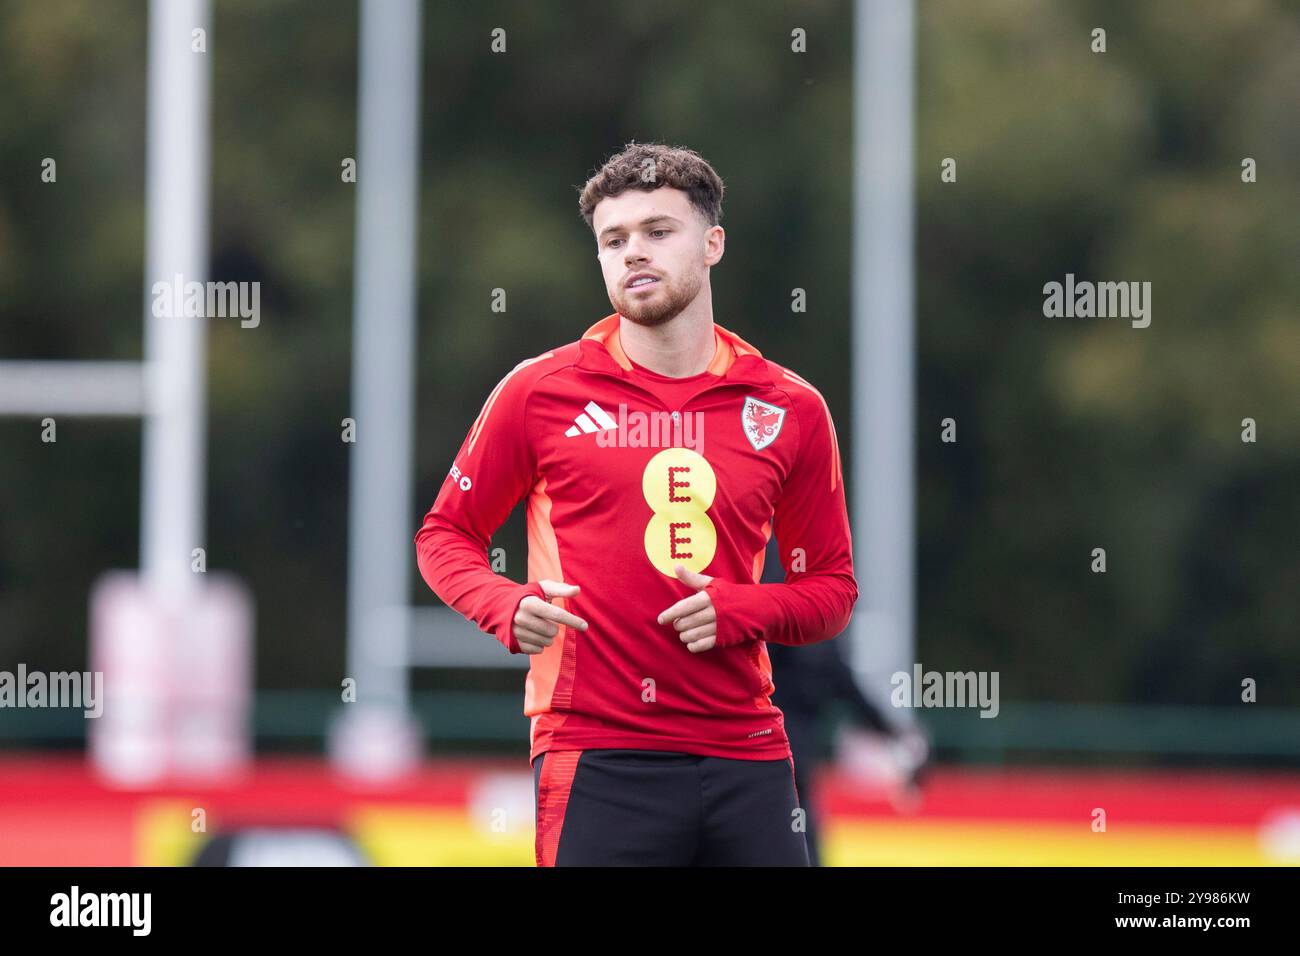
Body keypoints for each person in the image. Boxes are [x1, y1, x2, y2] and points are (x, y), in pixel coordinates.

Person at [415, 142, 857, 866]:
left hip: (747, 753)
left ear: (712, 243)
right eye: (613, 241)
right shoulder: (539, 392)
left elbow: (832, 591)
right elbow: (444, 534)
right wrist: (502, 603)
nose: (633, 254)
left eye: (658, 232)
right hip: (598, 754)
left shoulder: (789, 407)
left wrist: (742, 611)